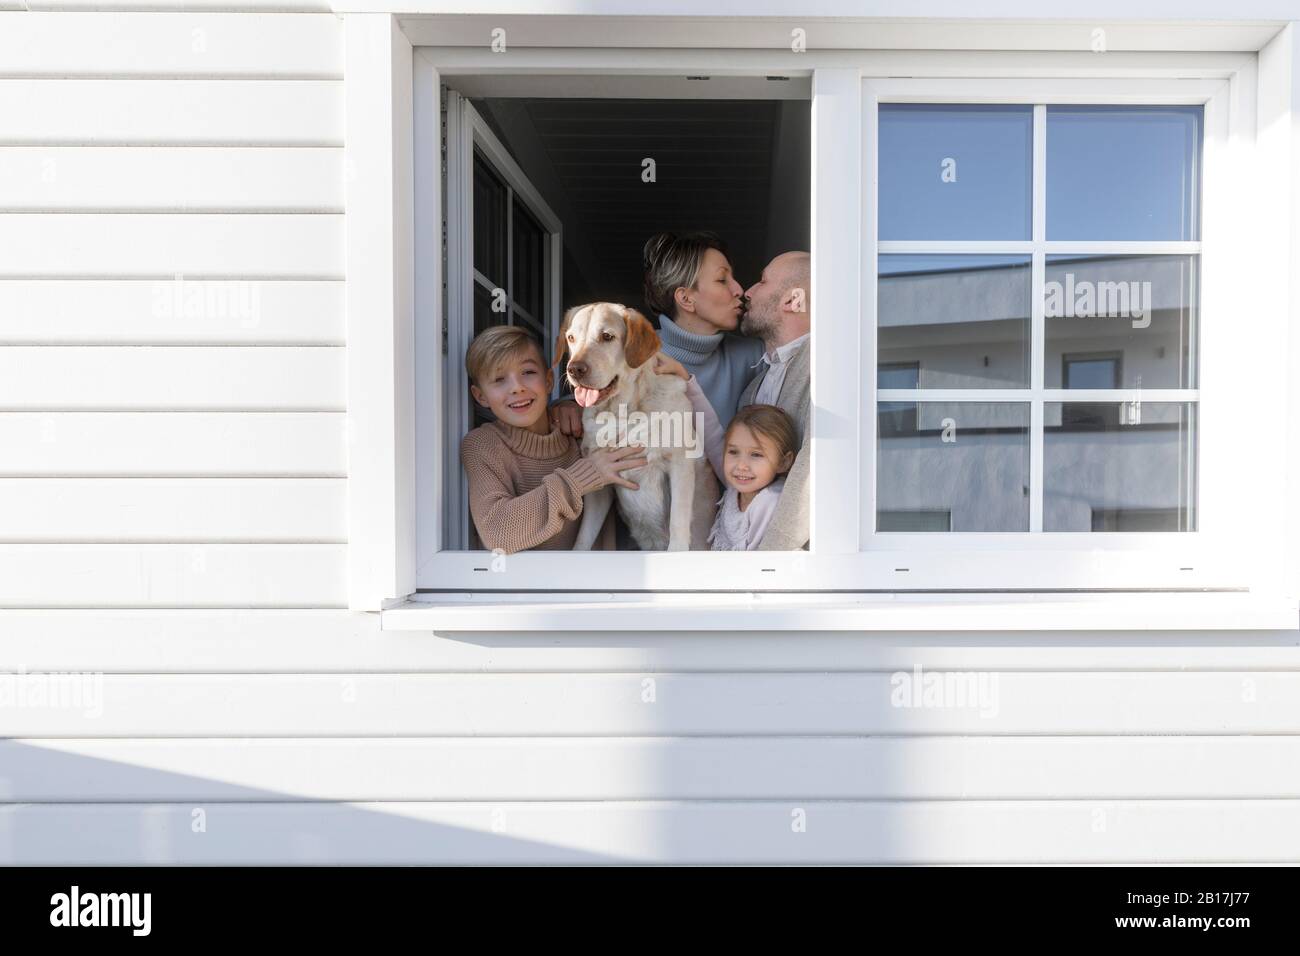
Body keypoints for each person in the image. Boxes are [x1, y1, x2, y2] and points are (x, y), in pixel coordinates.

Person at [459, 325, 645, 554]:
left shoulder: (582, 432)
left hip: (597, 585)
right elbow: (498, 534)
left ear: (549, 381)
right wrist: (585, 476)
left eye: (527, 372)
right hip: (522, 589)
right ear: (480, 396)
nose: (517, 388)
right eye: (499, 379)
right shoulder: (483, 444)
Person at [736, 251, 811, 550]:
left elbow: (817, 470)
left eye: (762, 281)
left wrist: (770, 561)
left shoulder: (830, 370)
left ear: (794, 300)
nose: (747, 292)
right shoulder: (753, 387)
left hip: (791, 573)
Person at [706, 405, 799, 551]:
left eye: (756, 455)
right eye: (733, 452)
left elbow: (755, 563)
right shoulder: (736, 487)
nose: (741, 465)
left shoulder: (768, 502)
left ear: (783, 462)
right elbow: (710, 436)